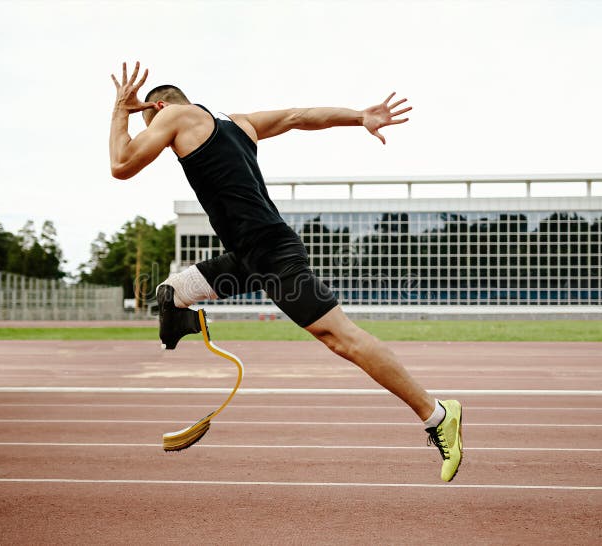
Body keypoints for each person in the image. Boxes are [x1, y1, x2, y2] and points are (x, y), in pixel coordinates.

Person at [109, 61, 463, 482]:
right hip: (248, 256)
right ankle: (183, 324)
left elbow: (121, 164)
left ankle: (437, 414)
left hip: (270, 252)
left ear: (160, 107)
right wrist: (358, 116)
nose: (157, 140)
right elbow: (298, 116)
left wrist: (120, 110)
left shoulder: (175, 115)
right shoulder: (237, 123)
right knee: (172, 292)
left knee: (341, 338)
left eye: (151, 129)